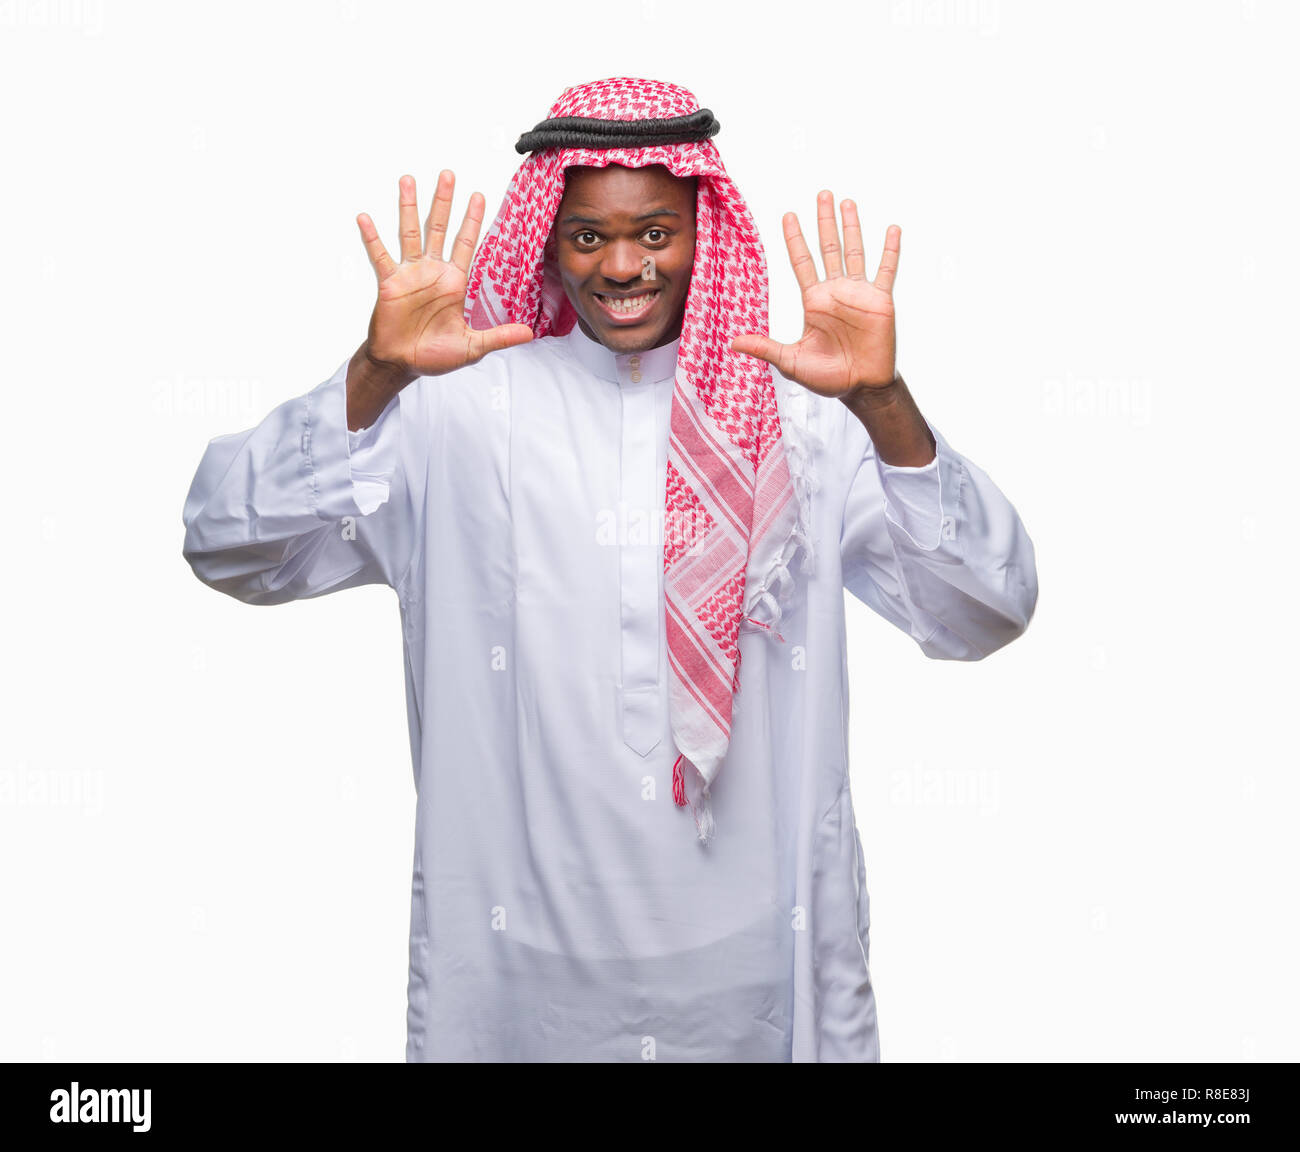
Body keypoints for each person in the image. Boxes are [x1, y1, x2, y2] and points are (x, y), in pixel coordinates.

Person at [181, 76, 1038, 1062]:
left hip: (755, 975)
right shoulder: (451, 410)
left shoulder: (800, 421)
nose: (620, 265)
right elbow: (227, 544)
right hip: (514, 988)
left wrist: (884, 405)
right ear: (548, 237)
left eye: (654, 234)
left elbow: (985, 610)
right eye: (588, 236)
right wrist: (374, 375)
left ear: (703, 232)